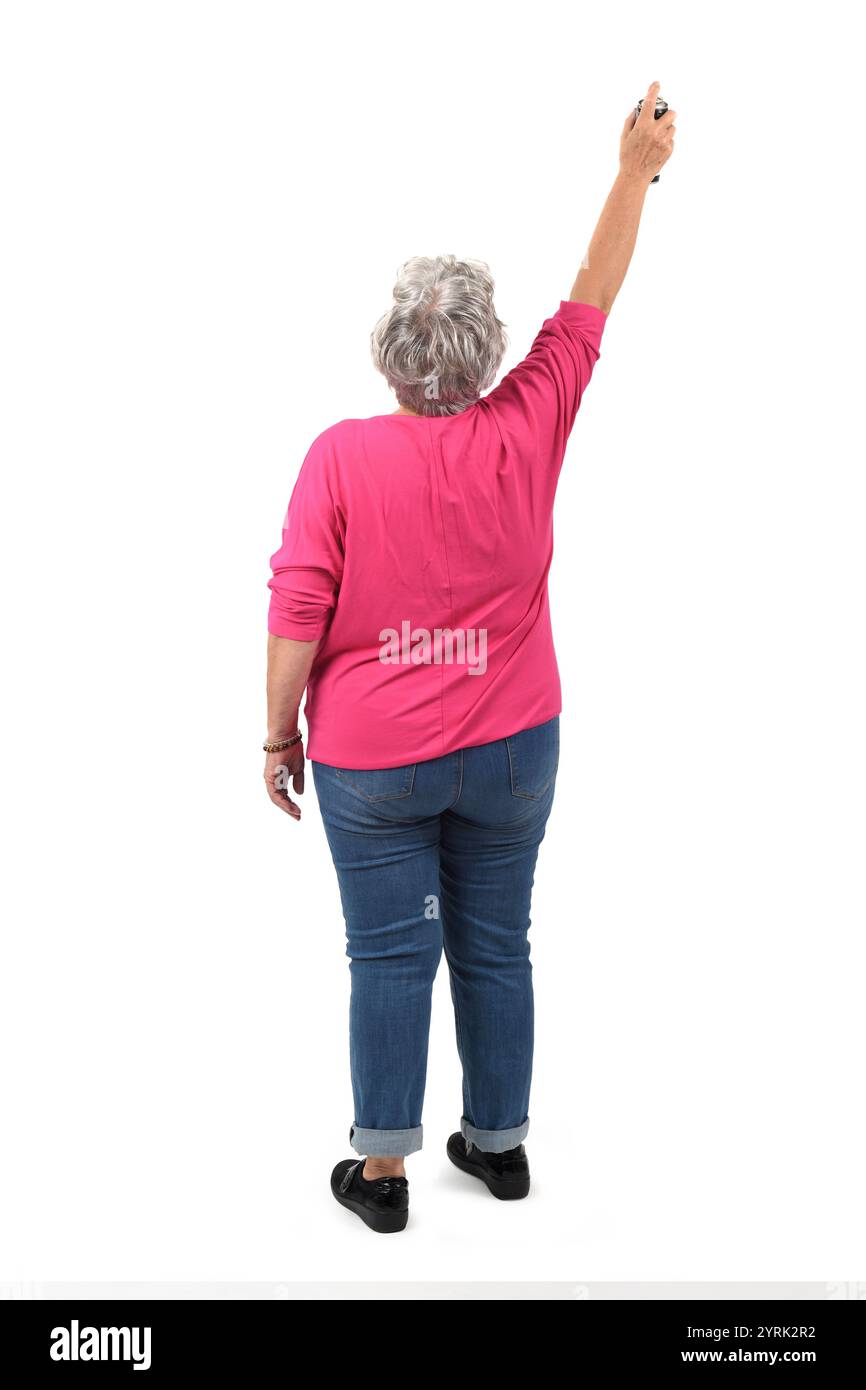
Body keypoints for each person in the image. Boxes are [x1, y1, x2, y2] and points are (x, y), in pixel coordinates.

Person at [264, 84, 676, 1233]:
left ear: (392, 354)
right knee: (497, 943)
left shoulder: (338, 457)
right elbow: (592, 294)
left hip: (371, 764)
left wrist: (272, 734)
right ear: (487, 353)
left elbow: (297, 607)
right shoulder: (531, 414)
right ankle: (496, 1149)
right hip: (511, 753)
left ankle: (384, 1176)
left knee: (388, 953)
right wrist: (632, 170)